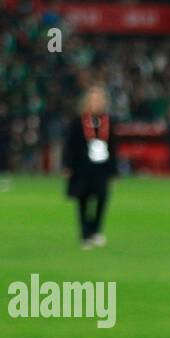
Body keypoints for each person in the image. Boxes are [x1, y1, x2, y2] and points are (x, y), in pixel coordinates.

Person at [63, 85, 117, 249]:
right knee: (83, 201)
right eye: (92, 99)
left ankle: (96, 231)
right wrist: (68, 165)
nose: (95, 102)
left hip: (101, 168)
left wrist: (114, 170)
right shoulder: (78, 122)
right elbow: (70, 145)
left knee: (102, 199)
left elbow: (113, 147)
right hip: (82, 168)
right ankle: (85, 235)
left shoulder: (108, 122)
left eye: (98, 99)